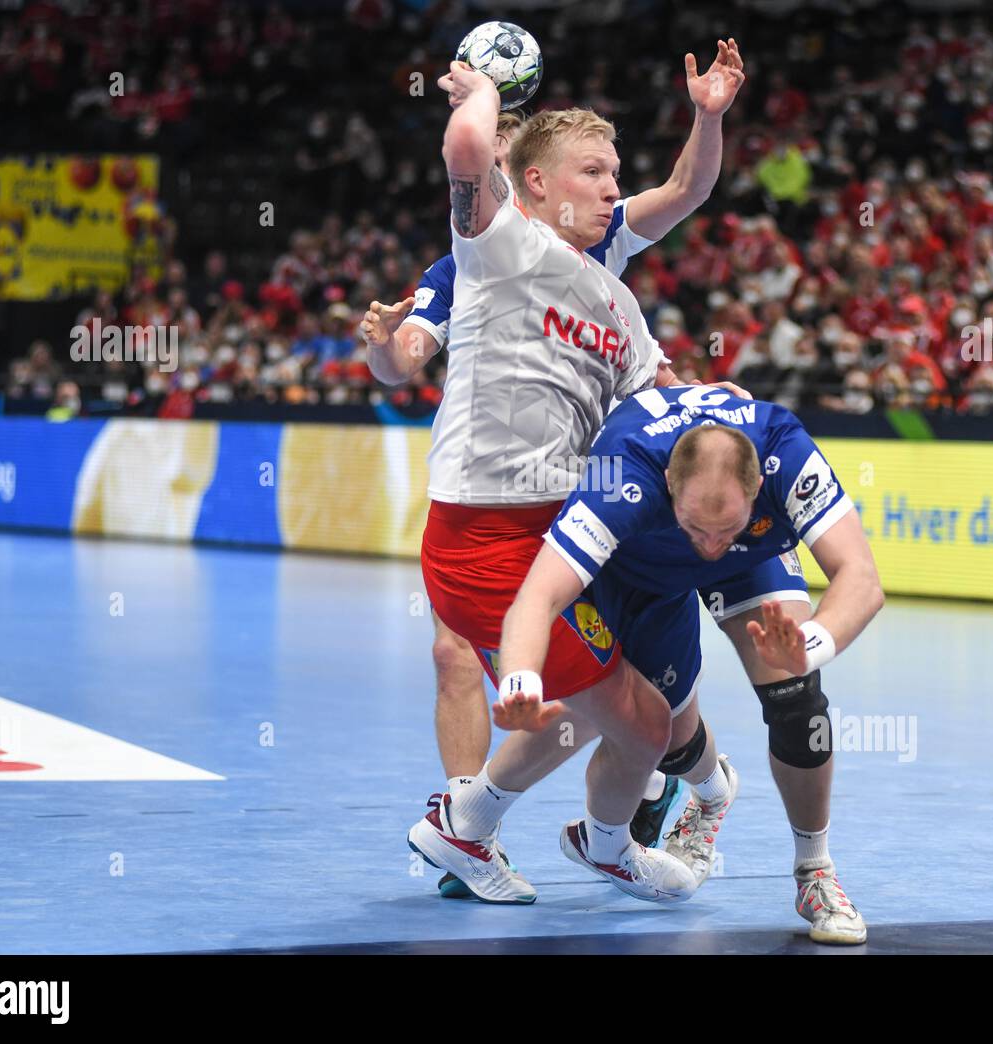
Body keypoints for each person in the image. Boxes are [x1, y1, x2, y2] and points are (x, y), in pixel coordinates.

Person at [364, 41, 747, 898]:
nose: (615, 188)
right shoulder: (483, 250)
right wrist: (477, 94)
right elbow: (404, 359)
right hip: (491, 519)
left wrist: (722, 412)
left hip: (573, 522)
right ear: (527, 178)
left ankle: (487, 824)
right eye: (595, 171)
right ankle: (486, 829)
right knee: (482, 664)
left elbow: (664, 388)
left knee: (623, 714)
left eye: (616, 172)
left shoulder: (614, 285)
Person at [494, 384, 884, 942]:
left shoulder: (786, 452)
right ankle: (710, 786)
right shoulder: (625, 472)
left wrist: (811, 644)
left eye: (724, 526)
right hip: (647, 567)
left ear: (758, 489)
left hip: (753, 555)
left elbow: (861, 578)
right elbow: (538, 595)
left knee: (798, 700)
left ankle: (814, 870)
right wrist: (522, 677)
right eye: (698, 527)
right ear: (670, 485)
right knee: (665, 739)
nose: (710, 544)